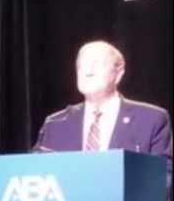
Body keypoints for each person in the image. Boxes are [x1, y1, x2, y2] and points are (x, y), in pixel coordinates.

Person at [35, 41, 171, 188]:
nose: (88, 72)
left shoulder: (150, 120)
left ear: (118, 73)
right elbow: (37, 175)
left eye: (96, 65)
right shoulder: (55, 124)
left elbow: (163, 179)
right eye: (82, 66)